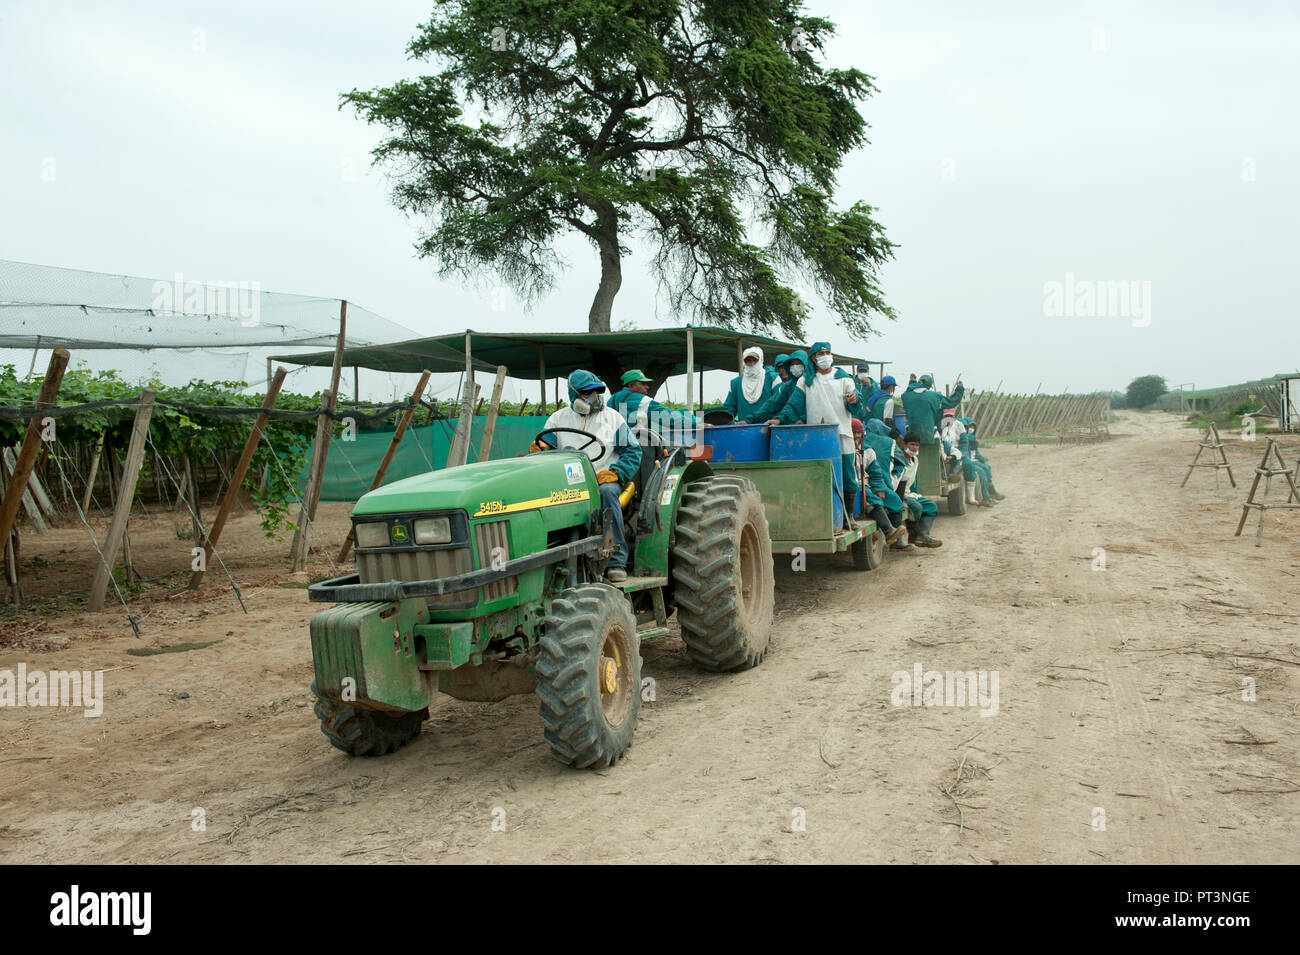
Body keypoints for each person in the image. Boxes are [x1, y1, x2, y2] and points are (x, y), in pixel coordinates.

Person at [535, 370, 642, 582]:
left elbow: (633, 451)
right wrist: (539, 448)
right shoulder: (557, 419)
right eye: (587, 393)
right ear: (573, 395)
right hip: (567, 481)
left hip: (603, 479)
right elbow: (545, 448)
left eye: (597, 392)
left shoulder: (613, 418)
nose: (594, 397)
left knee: (607, 492)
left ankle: (615, 561)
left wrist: (616, 473)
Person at [767, 341, 860, 521]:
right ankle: (820, 516)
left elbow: (857, 402)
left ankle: (849, 516)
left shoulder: (843, 378)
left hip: (842, 434)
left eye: (827, 352)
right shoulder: (806, 380)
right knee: (818, 475)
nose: (825, 356)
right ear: (813, 358)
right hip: (817, 435)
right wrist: (780, 419)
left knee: (848, 475)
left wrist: (854, 399)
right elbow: (794, 404)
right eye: (820, 353)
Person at [851, 419, 906, 545]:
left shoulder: (868, 451)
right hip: (855, 485)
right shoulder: (844, 451)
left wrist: (879, 488)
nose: (856, 438)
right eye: (854, 434)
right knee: (872, 499)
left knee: (894, 500)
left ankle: (897, 543)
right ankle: (888, 531)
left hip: (867, 483)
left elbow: (876, 473)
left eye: (859, 434)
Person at [610, 368, 700, 447]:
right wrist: (695, 423)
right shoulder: (643, 401)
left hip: (611, 443)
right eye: (642, 383)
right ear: (631, 385)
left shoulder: (612, 399)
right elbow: (667, 417)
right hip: (635, 445)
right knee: (676, 449)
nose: (647, 387)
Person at [864, 419, 913, 551]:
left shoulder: (861, 442)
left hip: (868, 483)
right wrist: (890, 481)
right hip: (878, 484)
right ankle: (896, 542)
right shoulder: (889, 443)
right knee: (896, 502)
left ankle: (892, 534)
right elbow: (901, 464)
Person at [896, 431, 942, 548]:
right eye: (912, 444)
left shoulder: (915, 460)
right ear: (905, 444)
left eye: (917, 445)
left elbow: (913, 483)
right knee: (916, 507)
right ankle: (914, 536)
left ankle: (923, 536)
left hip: (908, 493)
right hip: (898, 494)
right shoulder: (899, 459)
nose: (915, 448)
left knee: (931, 507)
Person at [900, 374, 965, 445]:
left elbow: (911, 393)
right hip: (927, 435)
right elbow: (951, 402)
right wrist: (959, 389)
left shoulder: (906, 396)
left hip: (911, 437)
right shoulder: (934, 396)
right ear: (929, 385)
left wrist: (912, 383)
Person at [743, 350, 806, 423]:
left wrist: (804, 418)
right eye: (792, 364)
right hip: (793, 427)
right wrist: (750, 420)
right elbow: (771, 405)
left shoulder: (811, 383)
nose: (795, 367)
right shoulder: (787, 386)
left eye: (798, 363)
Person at [723, 346, 776, 423]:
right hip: (745, 428)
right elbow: (729, 409)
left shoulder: (772, 379)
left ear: (761, 360)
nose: (751, 363)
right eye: (748, 360)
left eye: (755, 360)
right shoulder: (736, 383)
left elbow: (780, 404)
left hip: (769, 427)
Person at [960, 416, 1005, 502]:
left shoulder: (973, 440)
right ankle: (986, 497)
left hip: (972, 461)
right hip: (967, 462)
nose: (971, 429)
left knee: (987, 468)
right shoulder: (962, 439)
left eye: (973, 427)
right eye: (969, 427)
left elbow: (976, 453)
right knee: (981, 472)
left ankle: (992, 492)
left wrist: (983, 459)